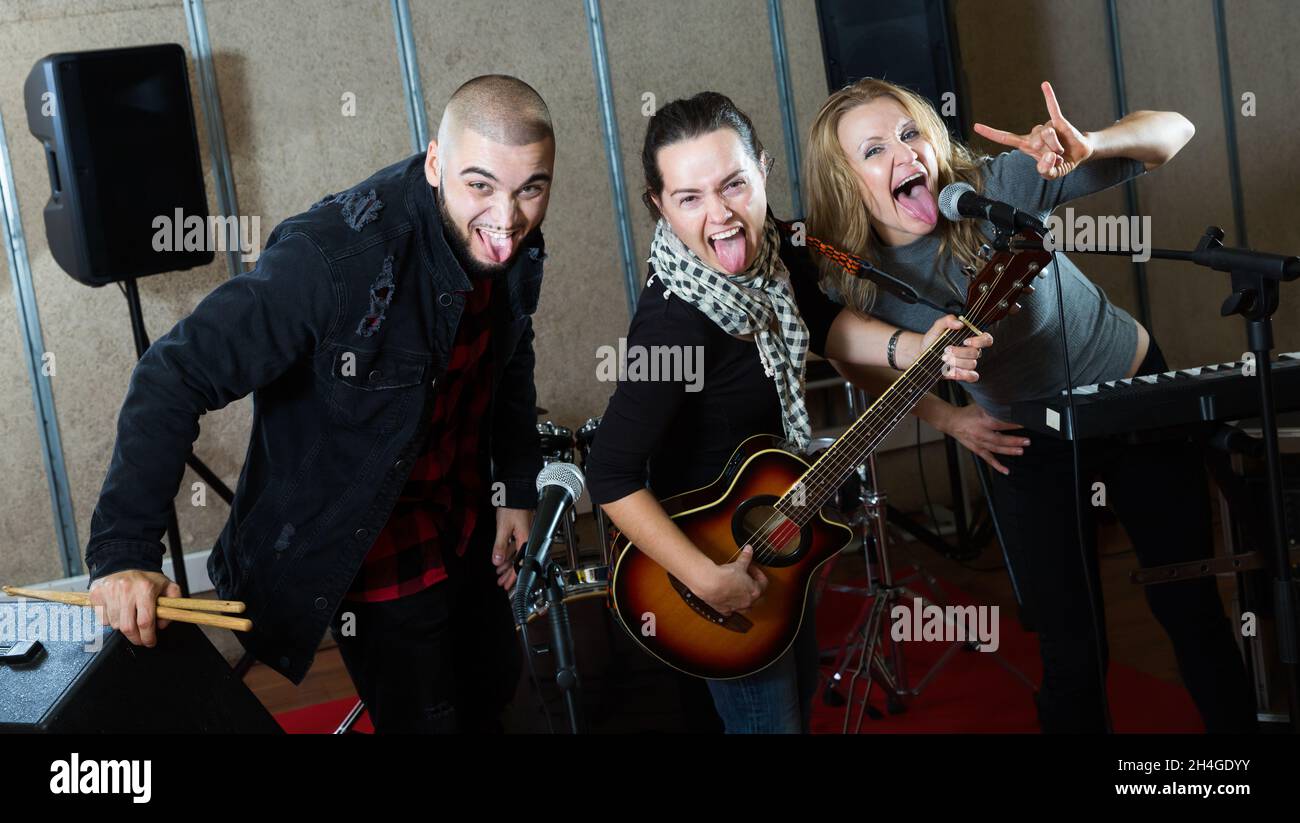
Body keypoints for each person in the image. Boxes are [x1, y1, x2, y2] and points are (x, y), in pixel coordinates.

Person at [85, 74, 554, 733]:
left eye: (531, 189)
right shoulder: (333, 259)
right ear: (434, 161)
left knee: (496, 685)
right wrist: (125, 553)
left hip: (462, 513)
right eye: (480, 185)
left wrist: (516, 484)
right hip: (371, 535)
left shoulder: (514, 242)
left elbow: (509, 357)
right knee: (430, 718)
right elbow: (172, 374)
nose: (507, 221)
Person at [805, 76, 1256, 732]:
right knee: (1070, 647)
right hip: (1024, 437)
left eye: (910, 135)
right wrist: (950, 418)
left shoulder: (994, 189)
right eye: (873, 150)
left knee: (1188, 608)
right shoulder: (851, 274)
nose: (903, 156)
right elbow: (851, 356)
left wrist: (1090, 143)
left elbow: (1174, 131)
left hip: (1131, 397)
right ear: (845, 181)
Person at [584, 91, 992, 733]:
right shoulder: (671, 326)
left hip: (775, 531)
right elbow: (608, 472)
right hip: (707, 577)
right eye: (689, 198)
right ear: (658, 206)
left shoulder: (779, 249)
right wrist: (707, 577)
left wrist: (919, 347)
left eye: (734, 185)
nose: (720, 216)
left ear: (764, 171)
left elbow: (823, 322)